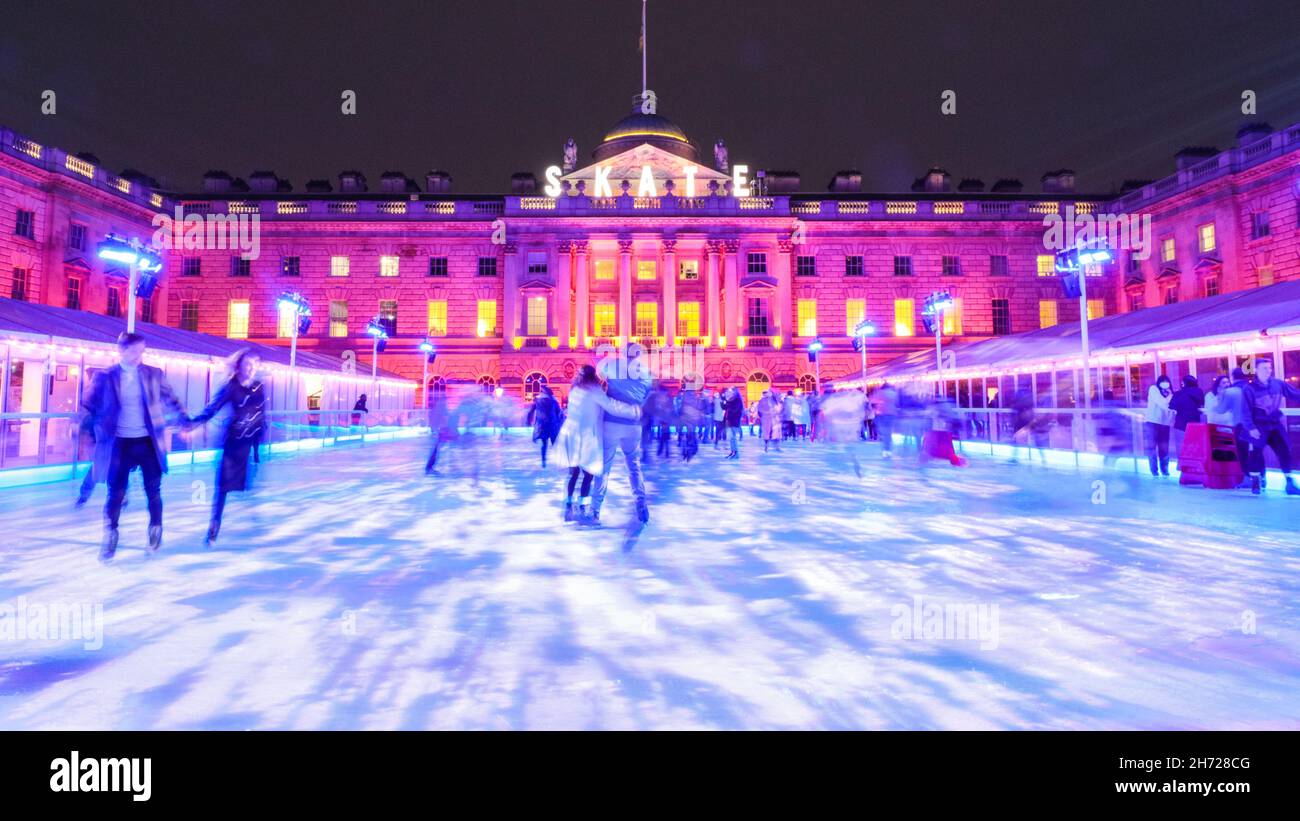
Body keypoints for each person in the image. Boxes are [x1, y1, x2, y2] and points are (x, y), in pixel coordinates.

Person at [80, 332, 191, 562]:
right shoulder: (105, 376)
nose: (138, 356)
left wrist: (184, 421)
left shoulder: (154, 374)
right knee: (116, 493)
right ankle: (110, 533)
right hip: (119, 443)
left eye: (141, 351)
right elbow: (88, 405)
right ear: (120, 350)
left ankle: (155, 529)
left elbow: (172, 399)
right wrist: (83, 427)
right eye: (133, 351)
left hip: (148, 442)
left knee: (153, 490)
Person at [188, 349, 267, 546]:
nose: (251, 369)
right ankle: (215, 524)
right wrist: (195, 423)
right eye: (248, 364)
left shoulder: (259, 387)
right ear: (239, 366)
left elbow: (261, 412)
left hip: (250, 440)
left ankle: (251, 515)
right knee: (223, 486)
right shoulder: (231, 387)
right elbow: (213, 408)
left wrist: (259, 432)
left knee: (245, 485)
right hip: (233, 442)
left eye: (255, 365)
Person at [553, 364, 641, 525]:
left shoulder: (575, 389)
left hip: (571, 434)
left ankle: (568, 506)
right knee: (588, 474)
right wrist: (632, 410)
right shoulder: (594, 390)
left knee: (573, 473)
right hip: (587, 436)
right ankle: (583, 507)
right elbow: (611, 406)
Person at [591, 344, 652, 525]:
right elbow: (646, 396)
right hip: (633, 425)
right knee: (634, 466)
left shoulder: (612, 364)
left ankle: (595, 509)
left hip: (612, 423)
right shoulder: (647, 374)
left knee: (604, 467)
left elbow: (598, 371)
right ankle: (641, 502)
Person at [1242, 358, 1300, 495]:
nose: (1268, 370)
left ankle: (1289, 483)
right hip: (1258, 426)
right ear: (1256, 370)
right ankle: (1256, 482)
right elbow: (1245, 410)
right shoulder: (1249, 389)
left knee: (1284, 451)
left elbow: (1295, 394)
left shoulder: (1278, 384)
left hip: (1274, 425)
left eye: (1269, 368)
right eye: (1264, 368)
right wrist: (1251, 428)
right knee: (1255, 455)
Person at [526, 385, 563, 467]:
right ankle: (559, 459)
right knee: (555, 442)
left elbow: (531, 411)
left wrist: (528, 420)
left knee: (544, 443)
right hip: (553, 424)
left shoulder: (537, 400)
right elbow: (559, 412)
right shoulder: (554, 400)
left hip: (542, 425)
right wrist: (561, 422)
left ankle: (543, 460)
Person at [1144, 375, 1175, 477]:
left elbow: (1172, 408)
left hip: (1165, 424)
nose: (1165, 383)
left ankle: (1165, 470)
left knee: (1164, 448)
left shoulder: (1170, 393)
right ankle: (1154, 471)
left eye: (1167, 381)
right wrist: (1170, 396)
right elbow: (1163, 404)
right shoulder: (1154, 389)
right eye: (1163, 381)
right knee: (1152, 447)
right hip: (1152, 422)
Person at [1168, 374, 1205, 457]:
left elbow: (1172, 406)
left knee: (1181, 446)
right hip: (1195, 423)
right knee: (1194, 445)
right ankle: (1194, 463)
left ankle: (1182, 465)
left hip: (1181, 424)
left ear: (1183, 383)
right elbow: (1201, 404)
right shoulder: (1199, 391)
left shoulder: (1179, 393)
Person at [873, 382, 900, 458]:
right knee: (888, 431)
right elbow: (897, 403)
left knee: (884, 432)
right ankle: (889, 448)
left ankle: (886, 449)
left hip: (882, 414)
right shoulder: (894, 393)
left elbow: (873, 400)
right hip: (892, 414)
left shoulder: (880, 393)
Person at [723, 387, 744, 458]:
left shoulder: (737, 400)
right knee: (731, 438)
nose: (730, 393)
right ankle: (732, 452)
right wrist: (724, 400)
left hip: (734, 421)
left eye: (732, 392)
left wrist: (728, 402)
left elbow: (733, 409)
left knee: (733, 438)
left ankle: (736, 453)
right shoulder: (731, 400)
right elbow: (724, 407)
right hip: (729, 420)